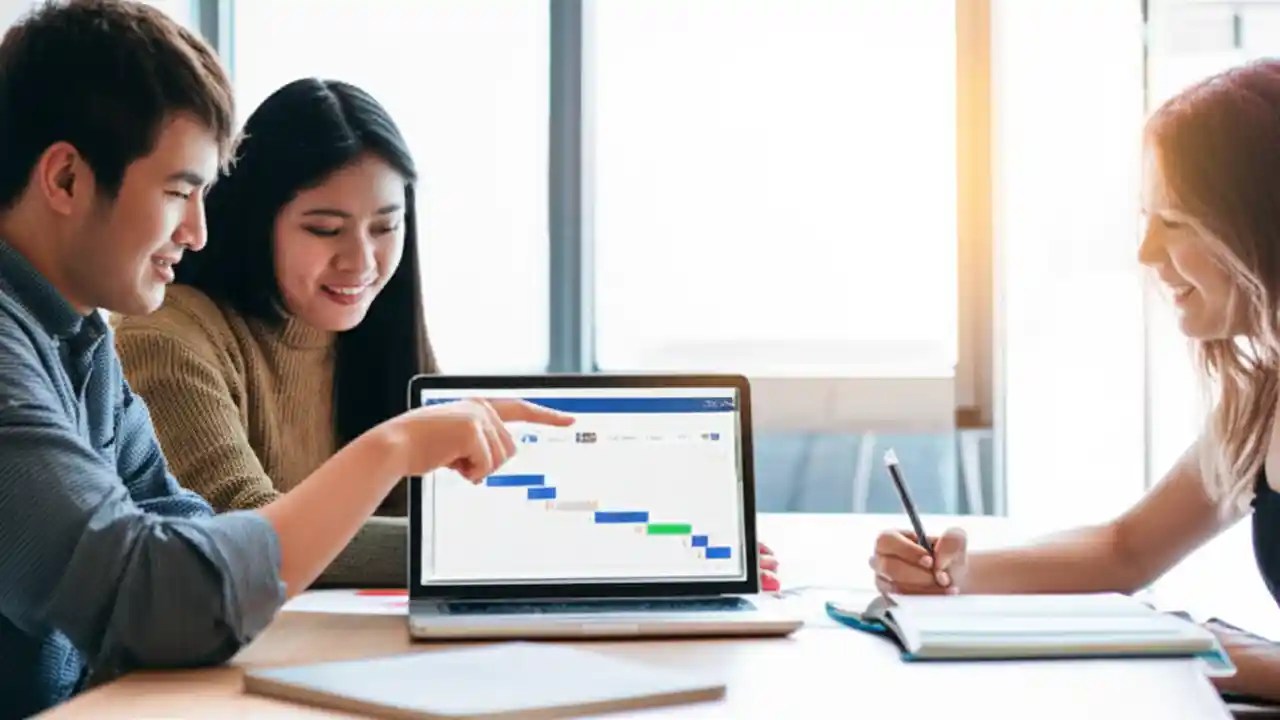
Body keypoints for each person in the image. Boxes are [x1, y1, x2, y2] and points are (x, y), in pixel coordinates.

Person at [0, 2, 571, 716]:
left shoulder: (77, 340)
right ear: (65, 180)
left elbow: (199, 540)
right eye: (179, 191)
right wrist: (389, 451)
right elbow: (154, 598)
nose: (198, 232)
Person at [113, 78, 783, 591]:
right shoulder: (170, 341)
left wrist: (671, 539)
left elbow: (463, 502)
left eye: (386, 225)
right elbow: (255, 535)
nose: (362, 262)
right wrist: (575, 547)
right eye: (324, 229)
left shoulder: (373, 336)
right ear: (254, 219)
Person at [869, 59, 1280, 701]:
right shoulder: (1261, 404)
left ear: (1259, 228)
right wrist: (954, 572)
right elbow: (1126, 550)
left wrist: (1262, 665)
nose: (1145, 253)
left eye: (1174, 223)